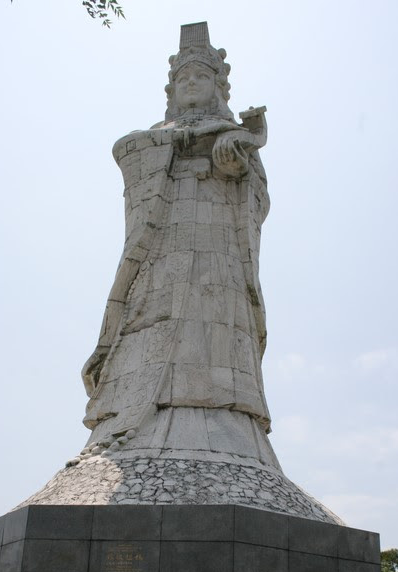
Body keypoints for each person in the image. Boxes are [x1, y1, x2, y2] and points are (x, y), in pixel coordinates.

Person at [81, 22, 272, 448]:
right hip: (161, 247)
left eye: (201, 77)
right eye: (183, 78)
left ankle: (225, 419)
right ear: (170, 91)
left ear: (218, 88)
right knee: (150, 315)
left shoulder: (235, 136)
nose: (191, 84)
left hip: (218, 245)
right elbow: (128, 149)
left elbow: (257, 197)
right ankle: (129, 417)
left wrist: (237, 162)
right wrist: (184, 143)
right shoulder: (154, 138)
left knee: (216, 316)